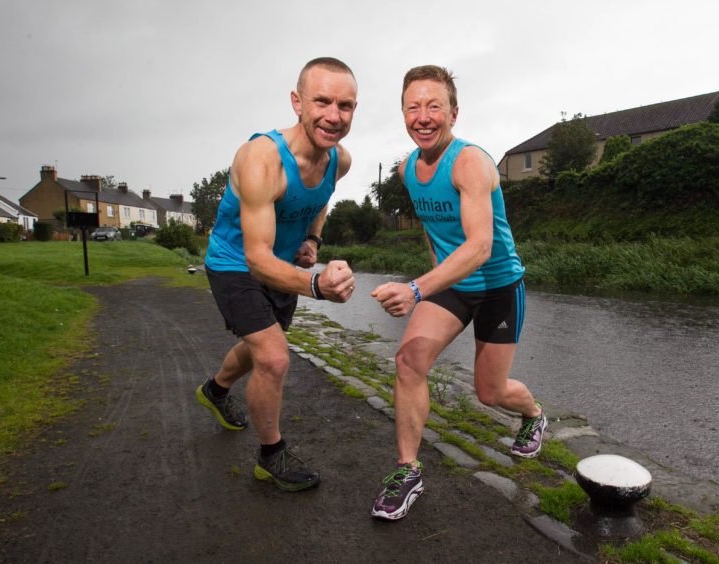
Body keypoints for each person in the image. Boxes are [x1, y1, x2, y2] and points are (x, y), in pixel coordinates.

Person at [370, 65, 546, 519]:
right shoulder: (410, 168)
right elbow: (434, 231)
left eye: (434, 106)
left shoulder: (470, 162)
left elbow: (481, 245)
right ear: (403, 114)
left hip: (497, 286)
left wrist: (415, 289)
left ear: (453, 113)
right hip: (451, 284)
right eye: (413, 107)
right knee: (408, 361)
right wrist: (433, 282)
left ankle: (533, 414)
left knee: (489, 393)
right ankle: (407, 471)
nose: (423, 116)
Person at [196, 57, 358, 492]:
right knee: (273, 355)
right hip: (237, 262)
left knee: (262, 346)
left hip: (282, 263)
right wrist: (317, 286)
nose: (333, 115)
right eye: (321, 101)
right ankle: (271, 456)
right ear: (297, 103)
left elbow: (323, 196)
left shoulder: (338, 160)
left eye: (345, 105)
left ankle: (215, 390)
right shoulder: (261, 160)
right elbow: (256, 257)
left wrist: (312, 240)